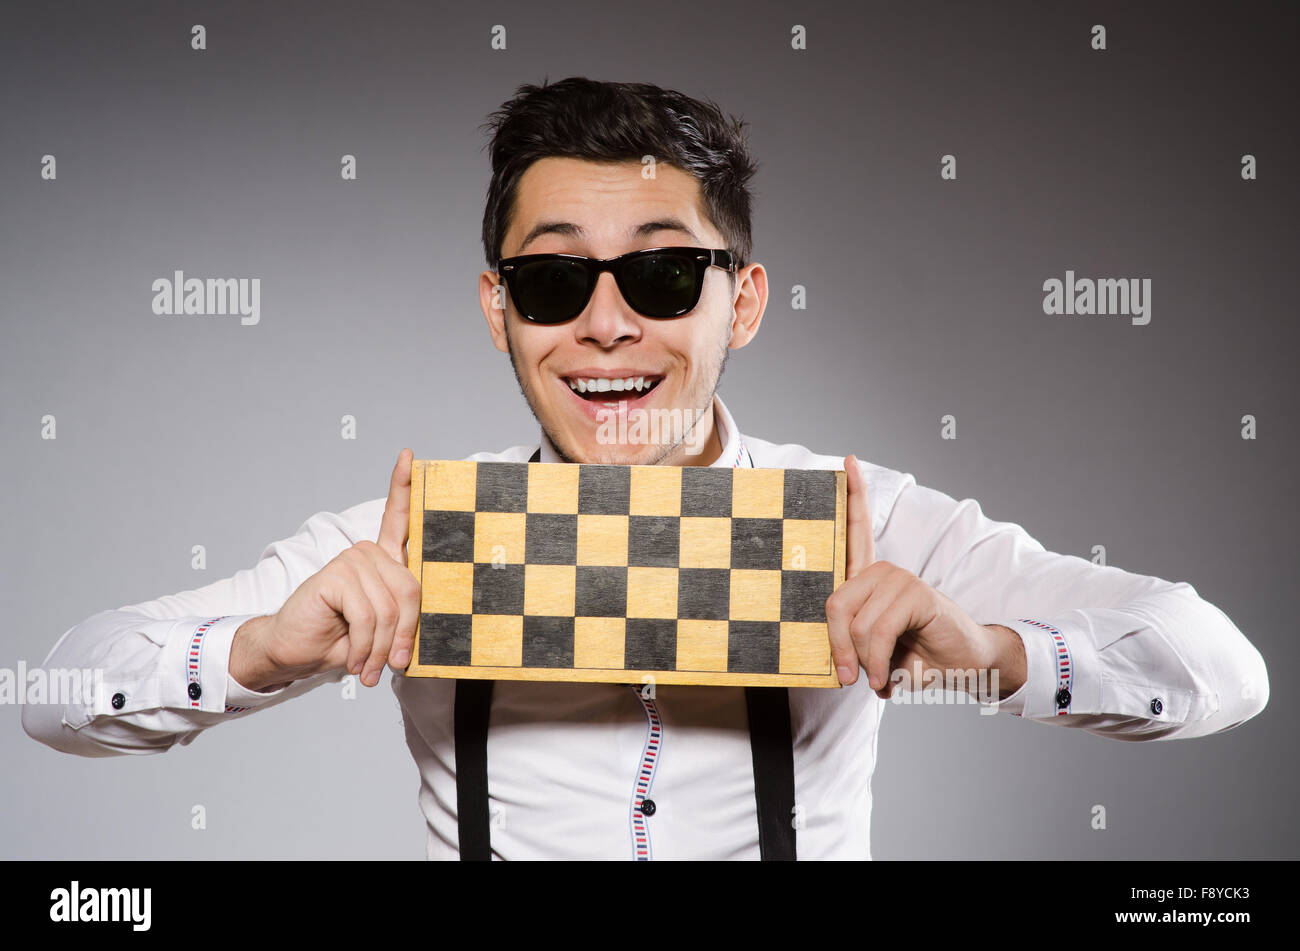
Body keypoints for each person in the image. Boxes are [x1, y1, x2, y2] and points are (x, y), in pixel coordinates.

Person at [23, 77, 1269, 860]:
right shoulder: (412, 534)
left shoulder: (865, 518)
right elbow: (54, 688)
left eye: (664, 273)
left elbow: (1221, 666)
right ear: (498, 308)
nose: (607, 324)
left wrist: (993, 655)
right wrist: (260, 652)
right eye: (555, 278)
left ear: (745, 303)